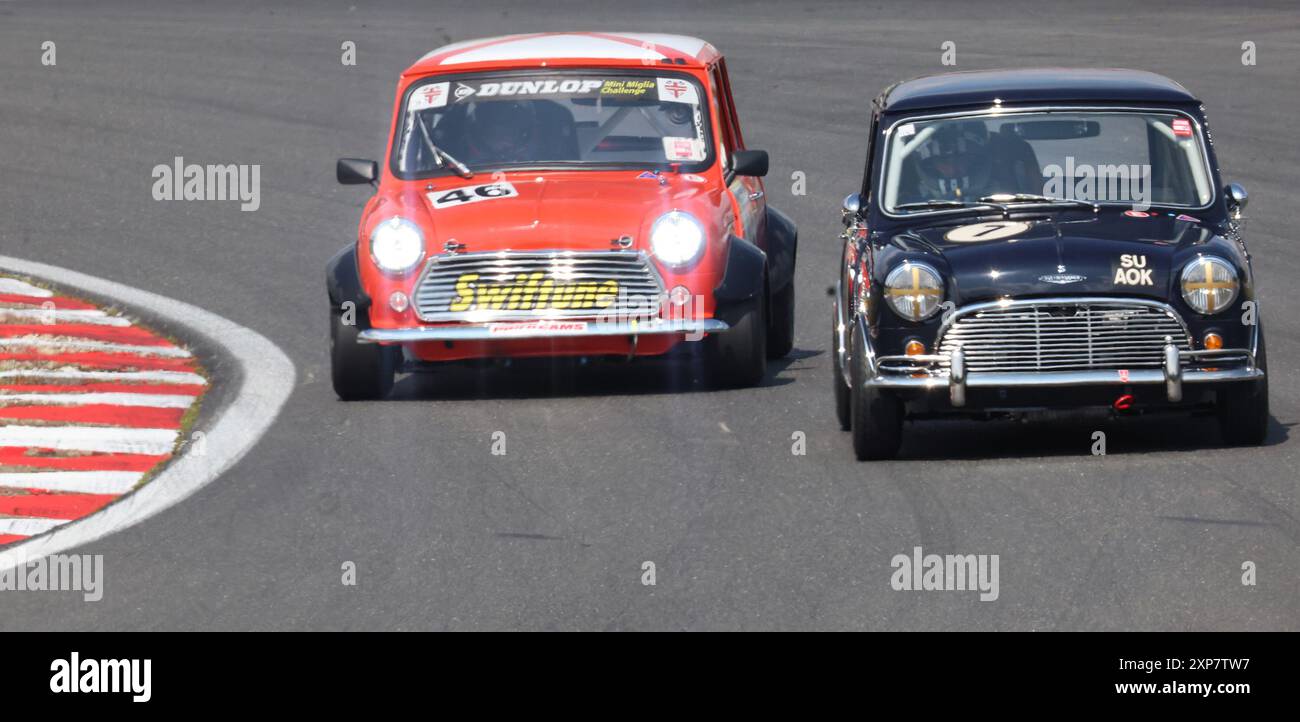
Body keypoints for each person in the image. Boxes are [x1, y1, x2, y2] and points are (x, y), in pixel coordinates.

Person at [467, 101, 537, 163]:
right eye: (495, 134)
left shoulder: (537, 157)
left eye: (509, 133)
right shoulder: (465, 160)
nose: (504, 138)